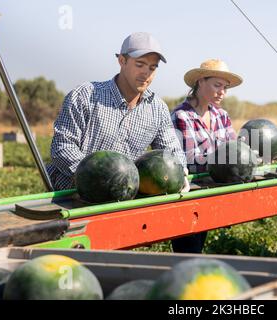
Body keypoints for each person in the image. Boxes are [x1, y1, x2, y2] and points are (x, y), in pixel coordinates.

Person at [47, 32, 189, 193]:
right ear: (122, 61)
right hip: (73, 193)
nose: (146, 73)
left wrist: (180, 171)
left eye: (152, 67)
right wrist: (96, 176)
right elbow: (62, 147)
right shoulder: (85, 96)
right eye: (140, 64)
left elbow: (171, 151)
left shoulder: (158, 108)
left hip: (121, 197)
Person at [170, 59, 243, 253]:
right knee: (187, 250)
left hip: (211, 191)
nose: (222, 92)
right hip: (188, 194)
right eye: (217, 85)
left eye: (225, 88)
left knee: (199, 244)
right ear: (201, 81)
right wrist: (222, 160)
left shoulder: (222, 116)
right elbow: (189, 159)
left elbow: (233, 149)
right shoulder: (181, 116)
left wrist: (250, 156)